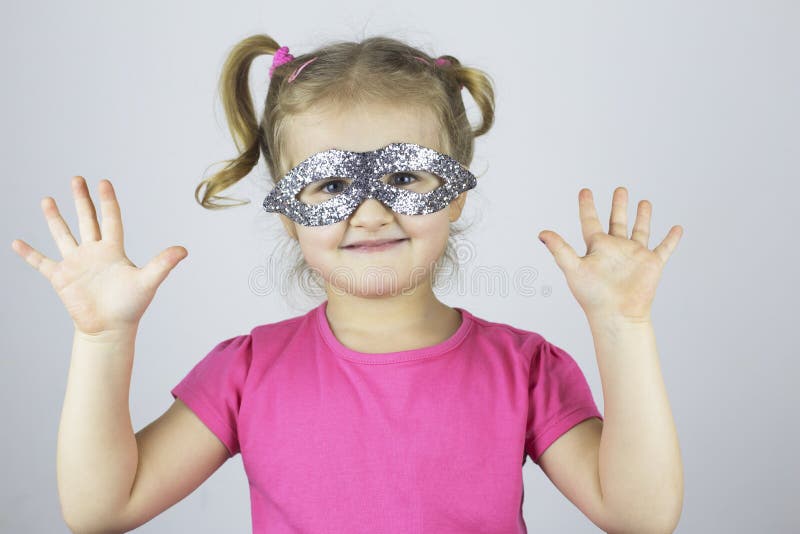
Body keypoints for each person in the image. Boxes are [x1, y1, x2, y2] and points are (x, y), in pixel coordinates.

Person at [11, 32, 684, 534]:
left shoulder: (525, 370)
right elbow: (101, 508)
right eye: (330, 184)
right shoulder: (247, 373)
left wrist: (622, 328)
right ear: (288, 213)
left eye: (405, 176)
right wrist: (102, 340)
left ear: (454, 193)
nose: (370, 210)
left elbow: (640, 516)